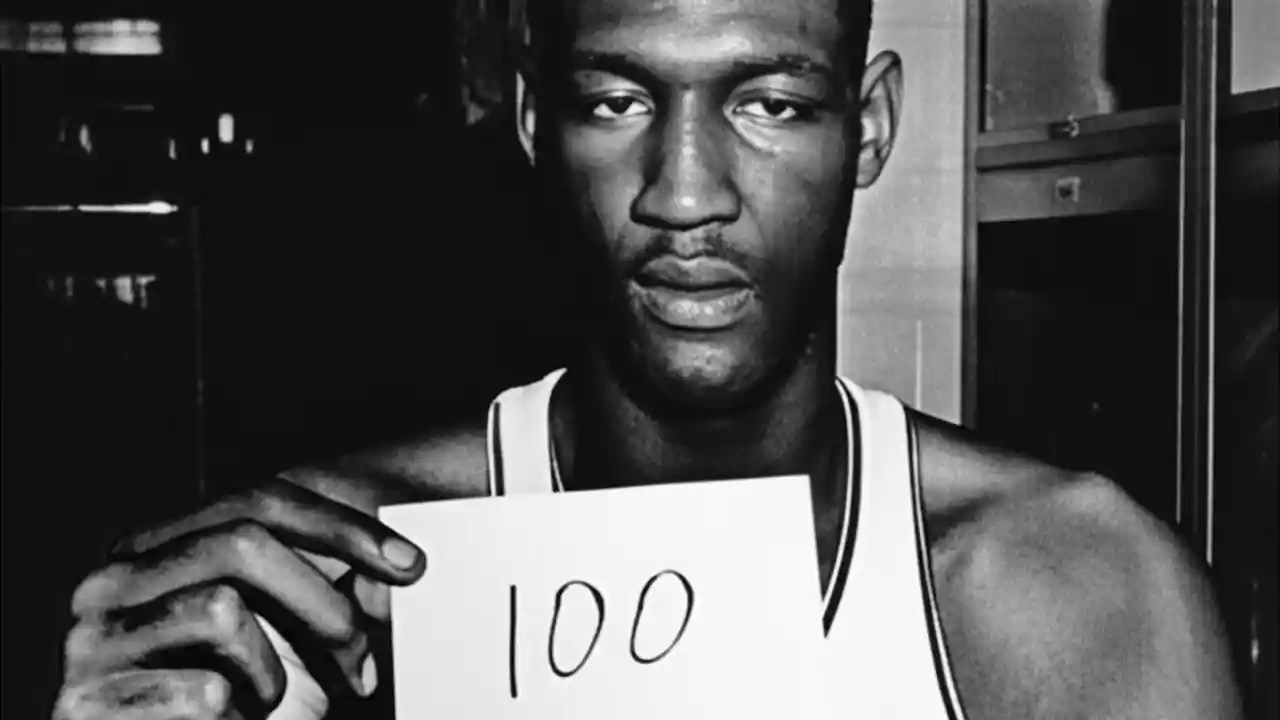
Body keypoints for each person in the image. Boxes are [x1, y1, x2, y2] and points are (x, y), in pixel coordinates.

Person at [54, 0, 1241, 718]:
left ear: (867, 126)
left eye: (768, 103)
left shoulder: (1081, 592)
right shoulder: (324, 585)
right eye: (615, 101)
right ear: (533, 123)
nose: (685, 195)